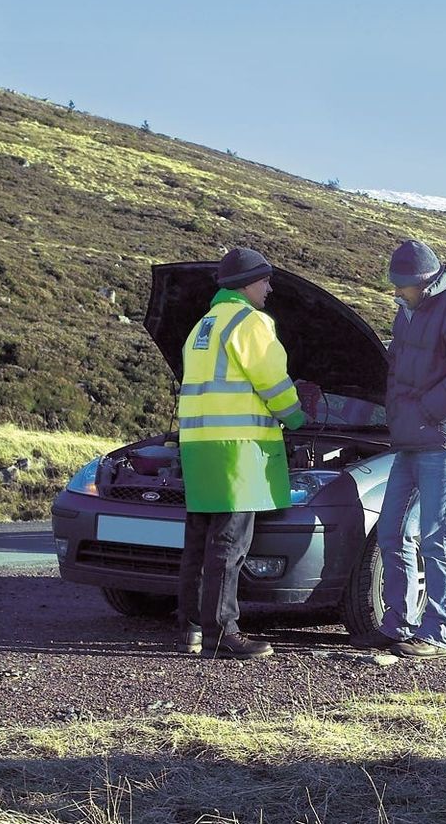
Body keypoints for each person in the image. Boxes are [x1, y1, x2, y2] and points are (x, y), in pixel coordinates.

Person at [353, 239, 446, 660]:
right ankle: (397, 624)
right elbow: (398, 369)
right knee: (392, 531)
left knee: (439, 536)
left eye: (404, 286)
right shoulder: (408, 312)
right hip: (413, 439)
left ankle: (437, 631)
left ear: (425, 280)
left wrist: (427, 413)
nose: (398, 293)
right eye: (395, 286)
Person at [176, 248, 307, 660]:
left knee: (199, 542)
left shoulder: (204, 325)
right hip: (238, 450)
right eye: (265, 281)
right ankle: (223, 632)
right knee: (229, 544)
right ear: (248, 283)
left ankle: (192, 627)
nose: (269, 289)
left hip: (199, 447)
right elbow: (272, 381)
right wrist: (299, 418)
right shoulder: (250, 322)